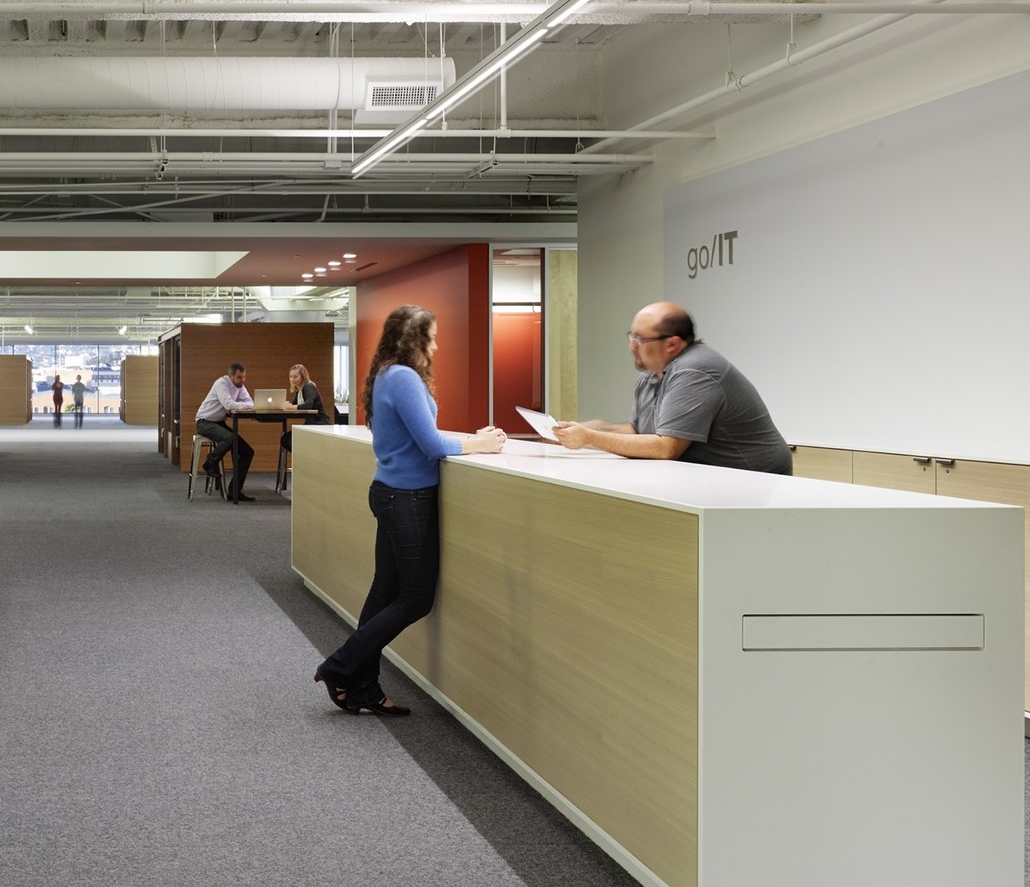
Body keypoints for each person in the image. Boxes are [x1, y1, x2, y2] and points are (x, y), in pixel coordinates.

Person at [315, 306, 505, 715]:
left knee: (384, 592)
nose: (436, 346)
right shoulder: (403, 377)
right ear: (412, 340)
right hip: (408, 498)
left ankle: (363, 688)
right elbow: (432, 445)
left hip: (391, 492)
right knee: (415, 600)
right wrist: (481, 443)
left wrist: (470, 442)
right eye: (431, 338)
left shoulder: (387, 373)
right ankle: (339, 666)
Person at [552, 301, 791, 474]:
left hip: (755, 481)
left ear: (672, 344)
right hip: (712, 479)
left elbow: (666, 448)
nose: (632, 346)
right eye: (631, 337)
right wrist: (594, 428)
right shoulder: (651, 375)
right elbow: (637, 432)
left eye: (640, 339)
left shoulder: (695, 371)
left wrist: (590, 438)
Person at [194, 361, 258, 503]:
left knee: (248, 452)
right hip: (205, 422)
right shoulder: (221, 384)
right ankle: (209, 463)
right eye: (239, 377)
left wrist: (241, 405)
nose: (242, 380)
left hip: (219, 423)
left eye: (244, 377)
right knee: (230, 438)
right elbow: (229, 405)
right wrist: (244, 405)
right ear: (231, 376)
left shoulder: (240, 386)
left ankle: (234, 491)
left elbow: (251, 403)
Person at [280, 362, 328, 455]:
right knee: (286, 439)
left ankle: (305, 456)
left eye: (295, 377)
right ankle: (304, 456)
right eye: (290, 377)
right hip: (311, 424)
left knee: (287, 440)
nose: (292, 379)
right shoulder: (300, 390)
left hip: (320, 424)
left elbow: (308, 405)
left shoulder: (309, 386)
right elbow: (293, 403)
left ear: (303, 377)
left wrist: (290, 407)